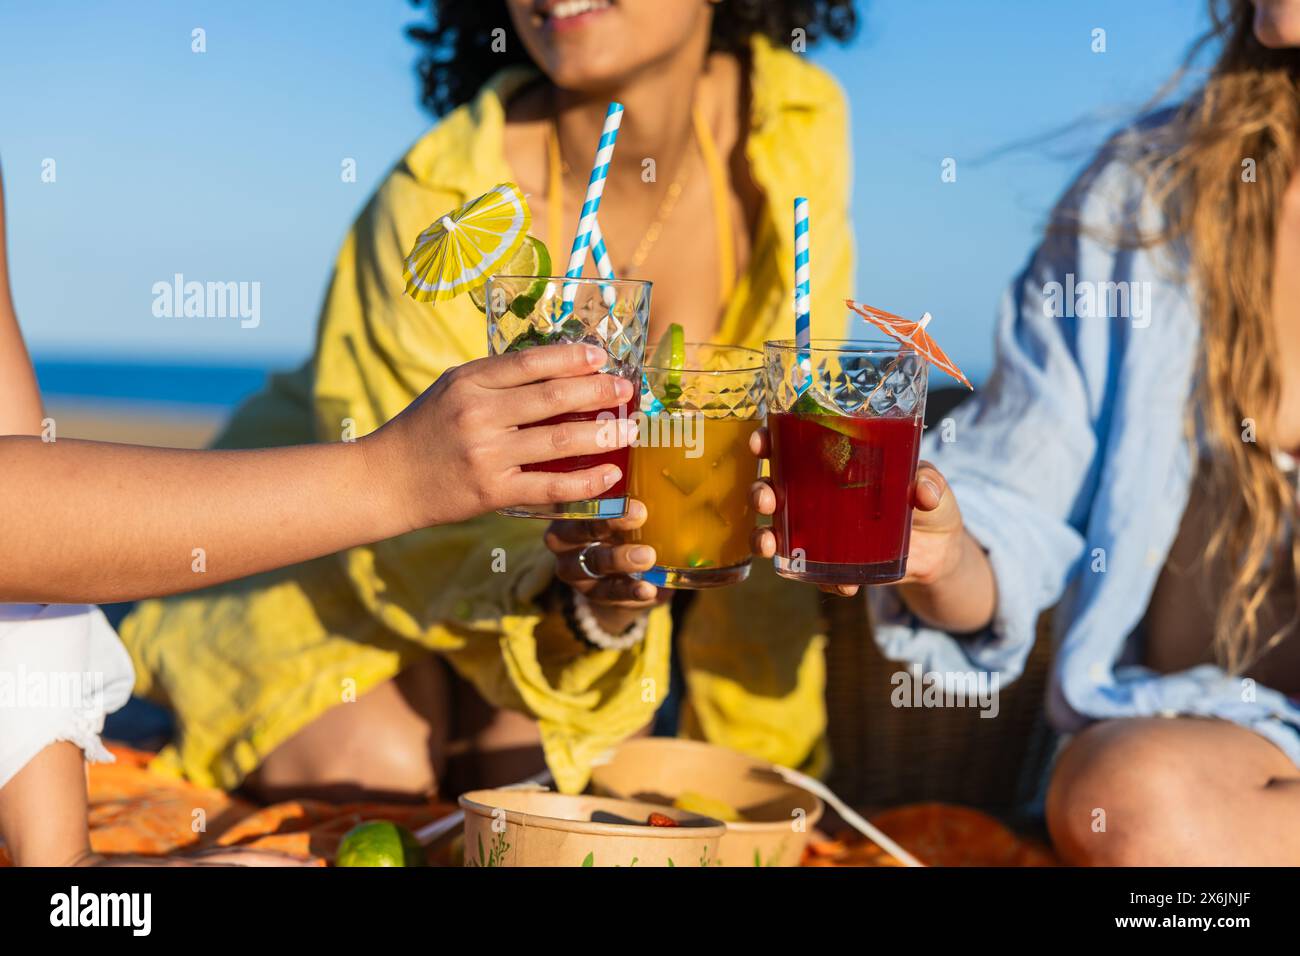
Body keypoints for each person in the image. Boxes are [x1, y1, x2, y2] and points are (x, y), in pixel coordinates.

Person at [121, 0, 858, 800]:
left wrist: (759, 767)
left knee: (579, 771)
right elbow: (411, 529)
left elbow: (766, 464)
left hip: (544, 585)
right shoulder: (440, 203)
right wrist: (583, 607)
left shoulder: (790, 120)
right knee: (377, 771)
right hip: (333, 536)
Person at [750, 0, 1300, 865]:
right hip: (1237, 759)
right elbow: (1013, 501)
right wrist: (942, 547)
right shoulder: (1147, 195)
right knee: (1128, 800)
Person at [0, 162, 635, 865]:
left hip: (477, 594)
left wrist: (62, 864)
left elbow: (30, 530)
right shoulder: (428, 179)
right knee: (400, 766)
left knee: (560, 771)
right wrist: (394, 475)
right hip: (341, 575)